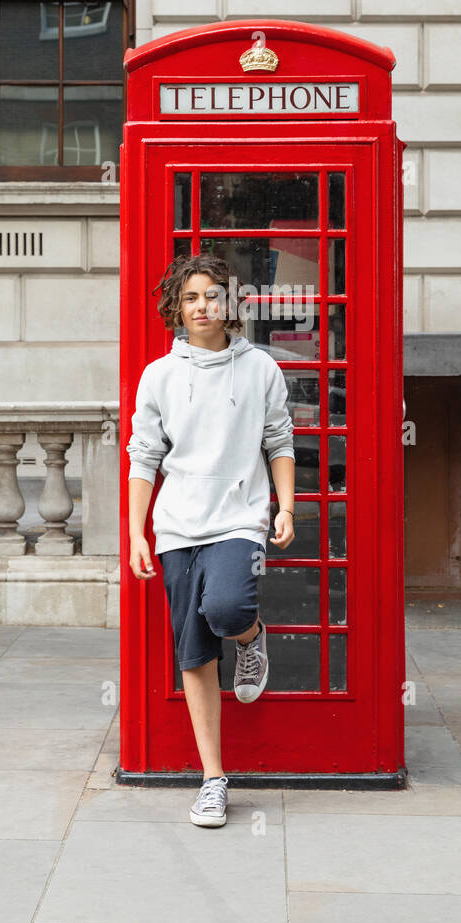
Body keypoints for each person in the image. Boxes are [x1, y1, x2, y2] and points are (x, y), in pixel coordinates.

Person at [126, 252, 296, 828]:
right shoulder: (160, 375)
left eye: (213, 295)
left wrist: (287, 505)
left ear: (231, 302)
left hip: (239, 520)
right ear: (177, 305)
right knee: (194, 654)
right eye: (191, 296)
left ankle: (251, 636)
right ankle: (213, 780)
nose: (203, 306)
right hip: (176, 526)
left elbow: (279, 440)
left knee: (228, 607)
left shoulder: (260, 370)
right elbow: (143, 456)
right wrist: (136, 533)